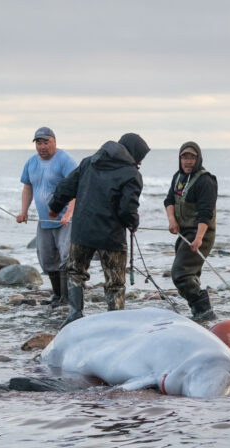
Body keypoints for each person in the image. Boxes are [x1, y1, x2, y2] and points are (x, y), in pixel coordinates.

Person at [48, 133, 150, 326]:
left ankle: (75, 315)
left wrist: (54, 207)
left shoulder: (89, 163)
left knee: (76, 272)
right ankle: (115, 321)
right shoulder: (132, 174)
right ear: (133, 152)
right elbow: (127, 208)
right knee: (115, 282)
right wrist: (133, 223)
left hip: (82, 232)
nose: (142, 161)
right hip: (111, 236)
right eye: (141, 156)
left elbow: (66, 187)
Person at [16, 127, 78, 308]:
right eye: (38, 143)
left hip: (65, 220)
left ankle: (67, 297)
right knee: (46, 257)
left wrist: (69, 213)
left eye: (46, 142)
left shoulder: (65, 161)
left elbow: (76, 188)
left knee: (66, 256)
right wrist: (24, 211)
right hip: (44, 220)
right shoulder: (31, 162)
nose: (42, 146)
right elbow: (28, 187)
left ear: (54, 142)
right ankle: (57, 294)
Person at [164, 141, 218, 321]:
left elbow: (205, 213)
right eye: (184, 157)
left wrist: (199, 238)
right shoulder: (177, 177)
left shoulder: (205, 181)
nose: (188, 161)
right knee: (189, 273)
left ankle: (204, 311)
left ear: (198, 159)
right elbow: (169, 200)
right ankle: (199, 312)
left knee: (180, 273)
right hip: (183, 232)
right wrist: (172, 220)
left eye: (192, 158)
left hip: (200, 233)